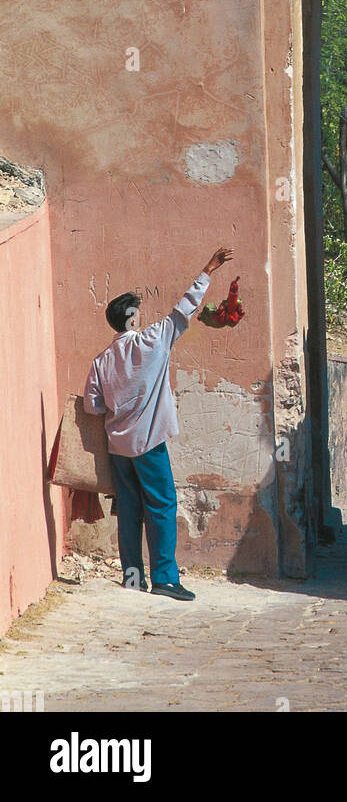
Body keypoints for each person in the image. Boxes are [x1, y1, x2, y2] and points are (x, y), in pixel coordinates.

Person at [84, 246, 233, 601]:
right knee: (162, 505)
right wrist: (208, 270)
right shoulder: (152, 342)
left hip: (117, 447)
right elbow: (185, 308)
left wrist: (117, 404)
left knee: (130, 509)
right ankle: (165, 578)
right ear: (133, 318)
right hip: (148, 442)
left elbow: (92, 405)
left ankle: (132, 576)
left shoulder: (101, 361)